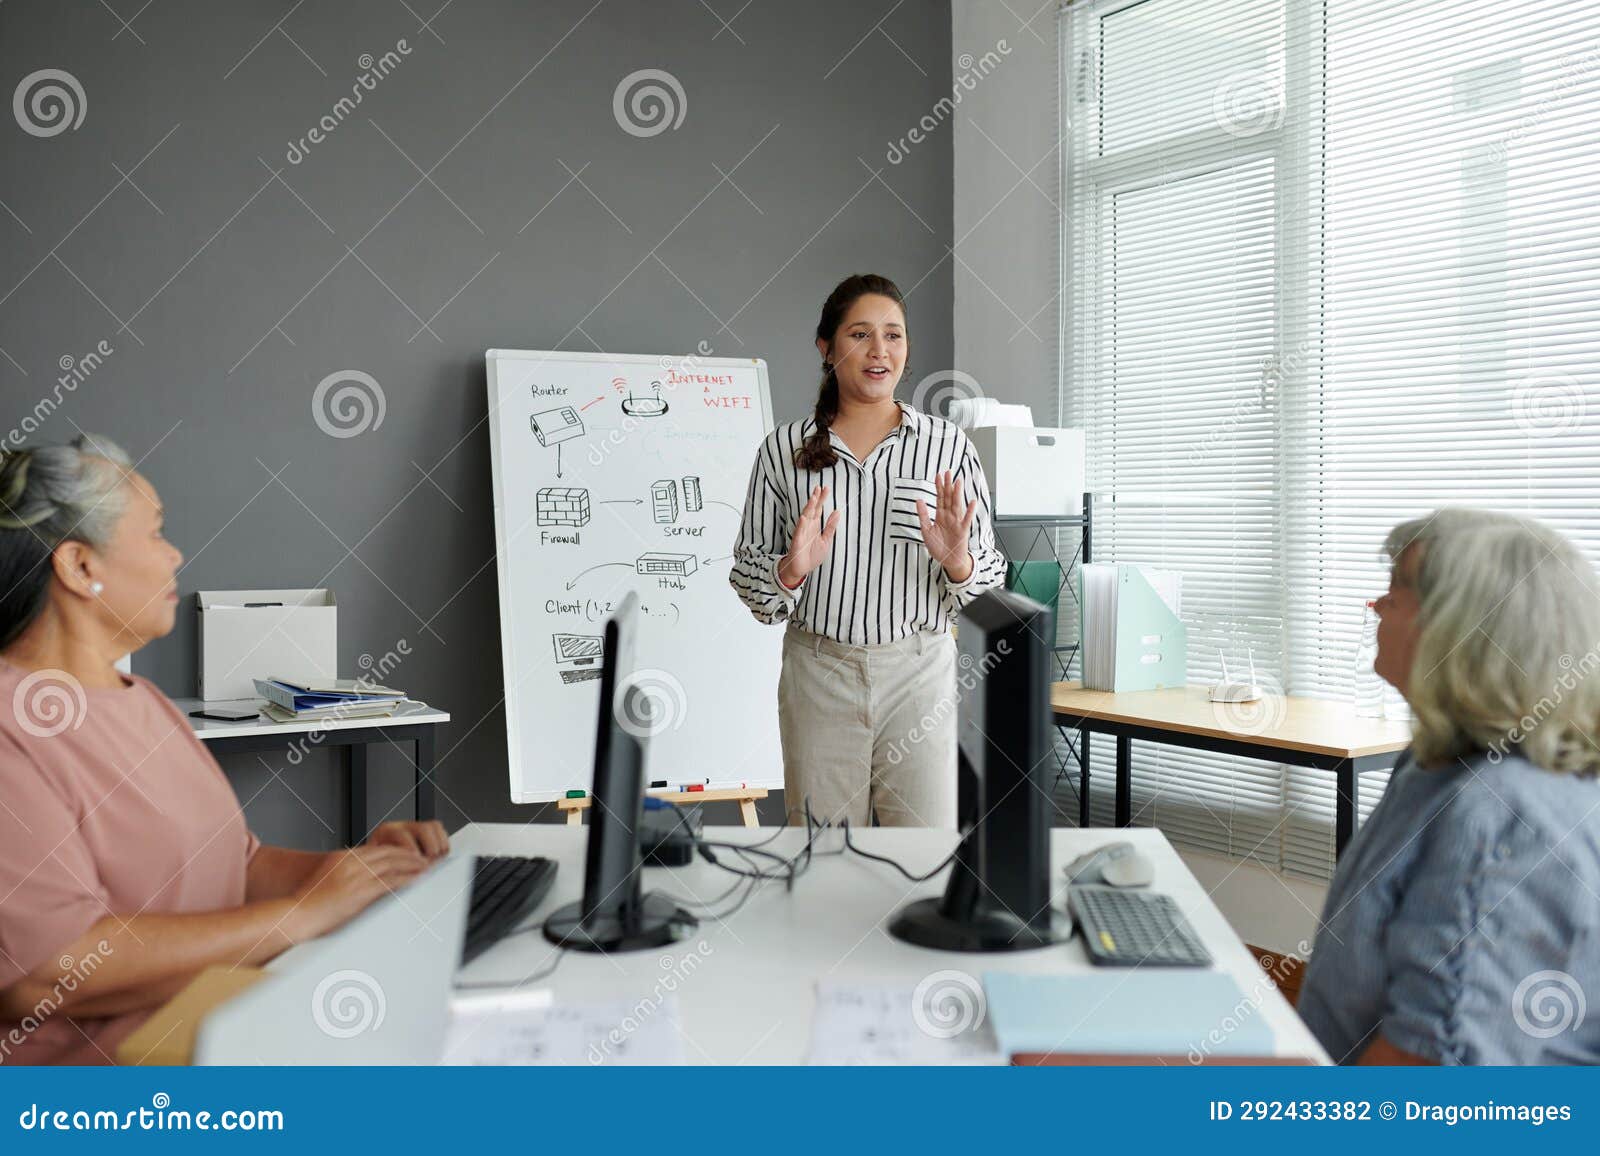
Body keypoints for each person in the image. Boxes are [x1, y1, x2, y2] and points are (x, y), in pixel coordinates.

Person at [0, 436, 449, 1065]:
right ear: (79, 567)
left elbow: (237, 867)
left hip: (221, 1032)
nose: (175, 553)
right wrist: (302, 915)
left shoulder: (144, 701)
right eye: (155, 533)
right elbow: (46, 972)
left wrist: (368, 872)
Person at [1299, 508, 1600, 1064]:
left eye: (1395, 592)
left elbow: (1433, 1087)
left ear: (1463, 628)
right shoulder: (1431, 763)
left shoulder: (1508, 812)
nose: (1375, 607)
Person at [728, 273, 1006, 827]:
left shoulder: (946, 445)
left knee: (924, 858)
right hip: (818, 674)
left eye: (894, 335)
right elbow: (754, 590)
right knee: (822, 860)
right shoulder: (783, 450)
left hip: (922, 676)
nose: (880, 351)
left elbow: (988, 588)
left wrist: (957, 562)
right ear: (827, 347)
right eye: (860, 334)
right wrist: (788, 571)